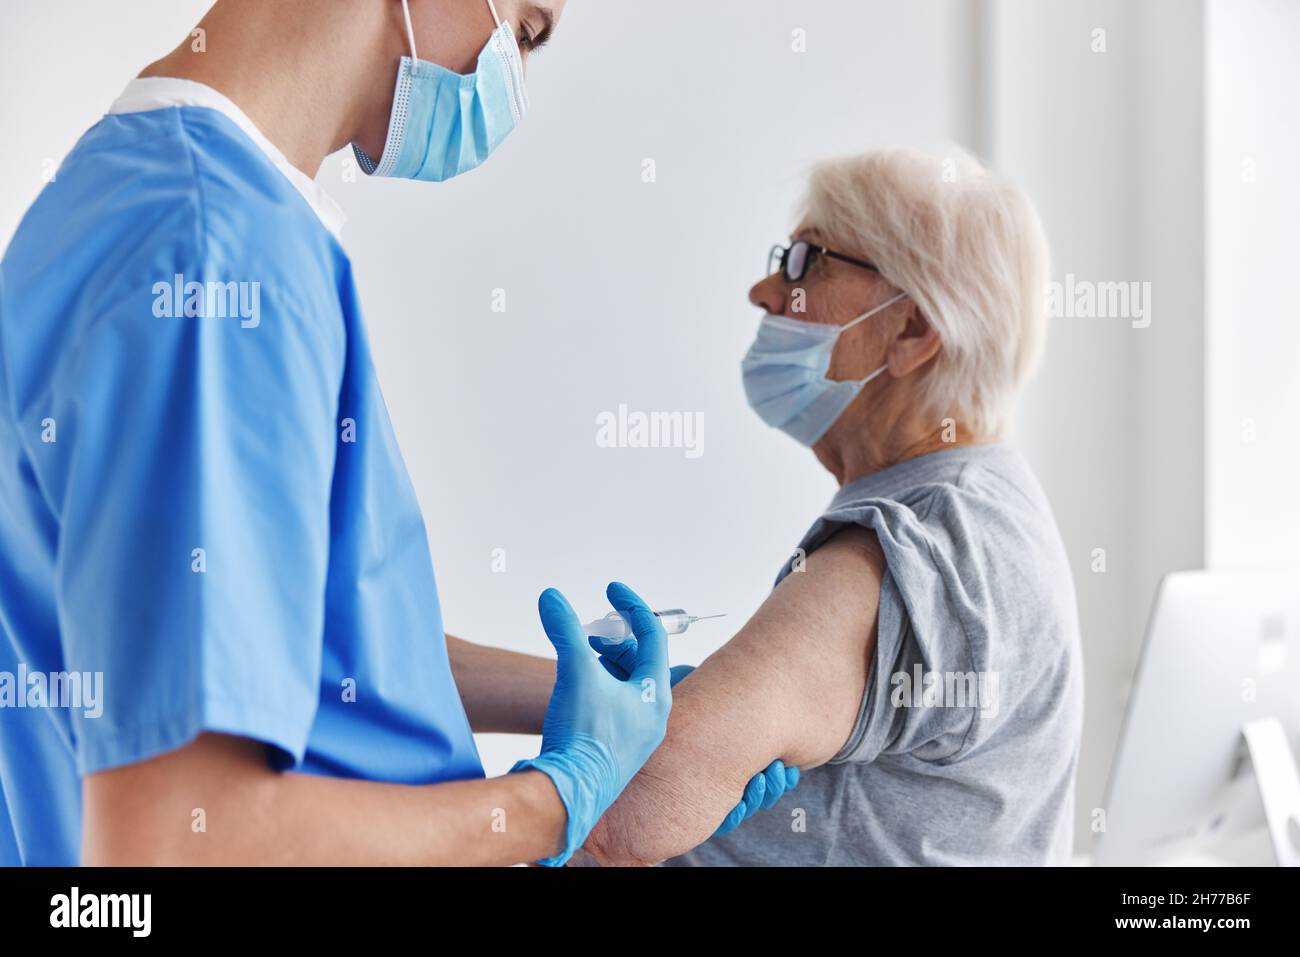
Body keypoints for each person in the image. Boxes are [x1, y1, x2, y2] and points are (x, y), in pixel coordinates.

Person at [0, 0, 783, 867]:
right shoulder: (217, 257)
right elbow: (186, 832)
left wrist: (585, 702)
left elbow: (283, 646)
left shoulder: (127, 191)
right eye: (526, 31)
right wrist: (550, 801)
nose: (515, 79)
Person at [575, 147, 1085, 866]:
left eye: (806, 262)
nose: (764, 290)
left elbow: (632, 813)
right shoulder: (982, 504)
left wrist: (551, 786)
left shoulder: (917, 540)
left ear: (911, 331)